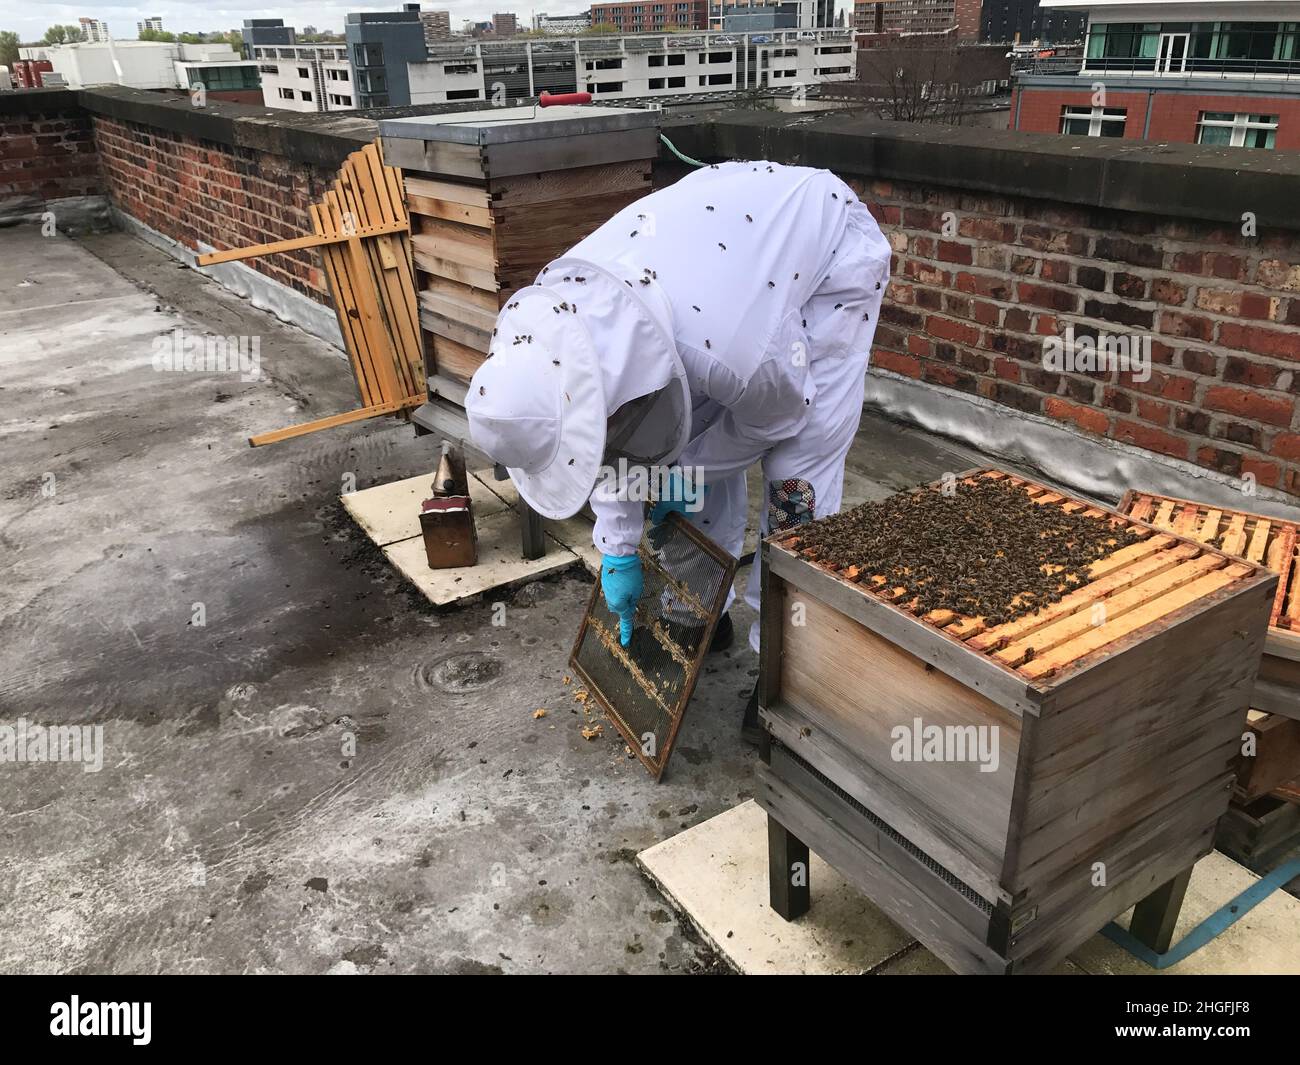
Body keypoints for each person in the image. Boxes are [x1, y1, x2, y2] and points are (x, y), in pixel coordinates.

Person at [466, 159, 891, 744]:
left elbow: (777, 418)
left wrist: (675, 478)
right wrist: (616, 546)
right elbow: (606, 445)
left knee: (799, 476)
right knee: (677, 458)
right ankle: (698, 613)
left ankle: (786, 678)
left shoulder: (738, 353)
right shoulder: (554, 332)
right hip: (718, 242)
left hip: (828, 255)